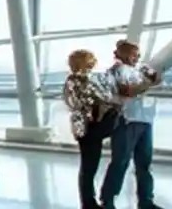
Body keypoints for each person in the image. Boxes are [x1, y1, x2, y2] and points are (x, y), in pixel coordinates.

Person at [100, 39, 165, 209]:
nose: (137, 57)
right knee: (120, 161)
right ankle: (107, 200)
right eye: (134, 54)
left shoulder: (139, 70)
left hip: (145, 120)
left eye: (138, 54)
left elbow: (157, 80)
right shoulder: (116, 71)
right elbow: (127, 91)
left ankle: (146, 200)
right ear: (123, 53)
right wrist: (148, 83)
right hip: (127, 121)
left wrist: (151, 76)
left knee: (144, 163)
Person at [62, 50, 117, 209]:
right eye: (90, 60)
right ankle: (88, 202)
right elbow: (93, 99)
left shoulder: (79, 80)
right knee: (89, 166)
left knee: (89, 166)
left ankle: (89, 201)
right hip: (89, 127)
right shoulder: (78, 80)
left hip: (88, 126)